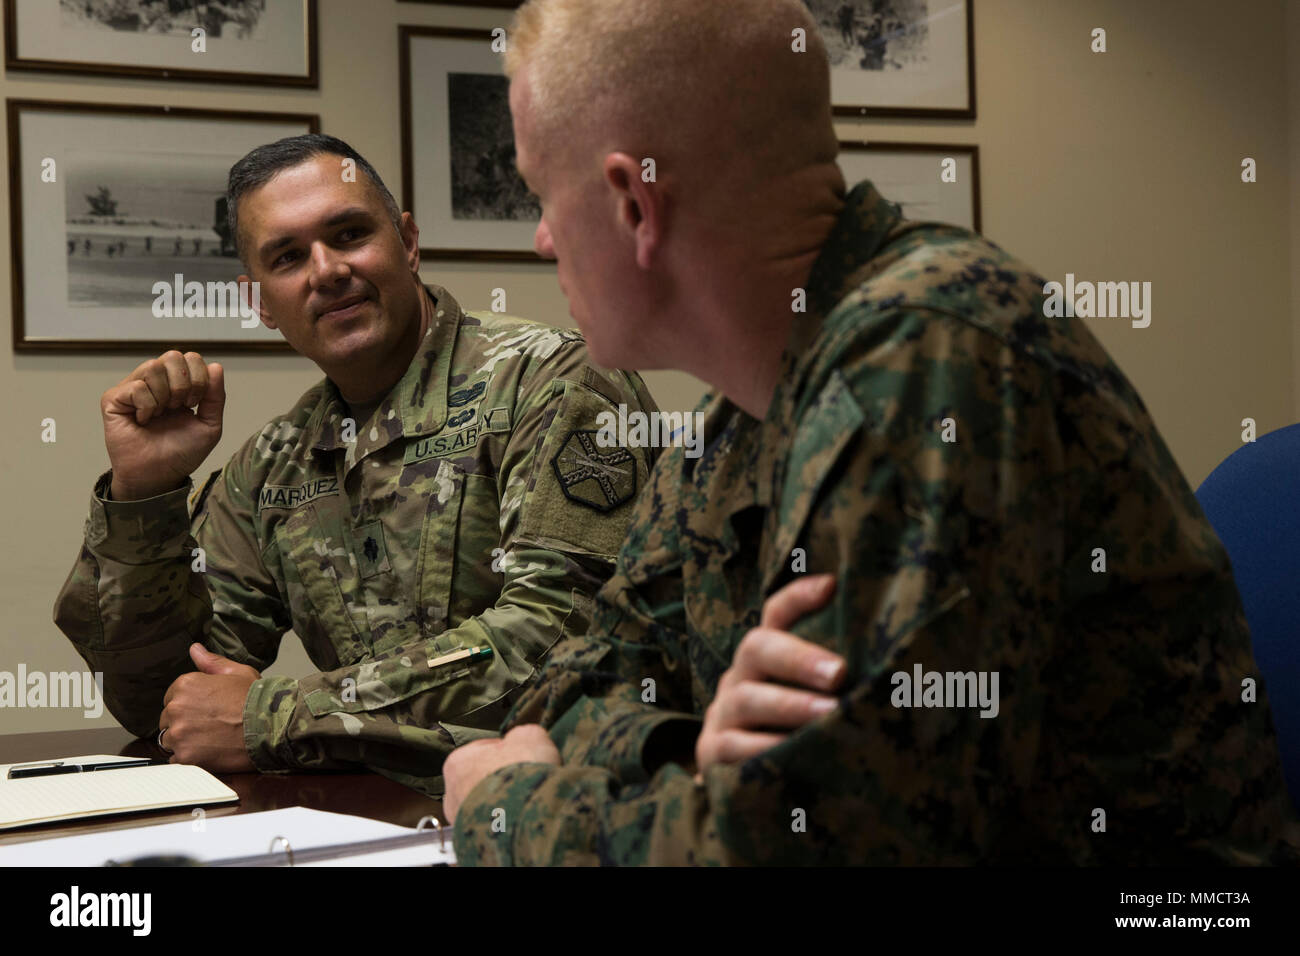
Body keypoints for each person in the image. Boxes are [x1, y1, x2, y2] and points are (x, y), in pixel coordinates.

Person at [442, 0, 1300, 863]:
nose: (544, 239)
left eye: (542, 195)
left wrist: (508, 810)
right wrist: (687, 750)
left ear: (635, 203)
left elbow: (827, 848)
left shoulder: (930, 359)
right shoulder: (737, 419)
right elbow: (565, 693)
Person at [52, 134, 658, 795]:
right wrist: (146, 495)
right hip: (367, 824)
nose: (326, 269)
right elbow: (170, 707)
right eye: (287, 256)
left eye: (348, 234)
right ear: (258, 302)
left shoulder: (552, 383)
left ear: (409, 243)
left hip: (568, 817)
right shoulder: (273, 464)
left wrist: (280, 716)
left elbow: (560, 643)